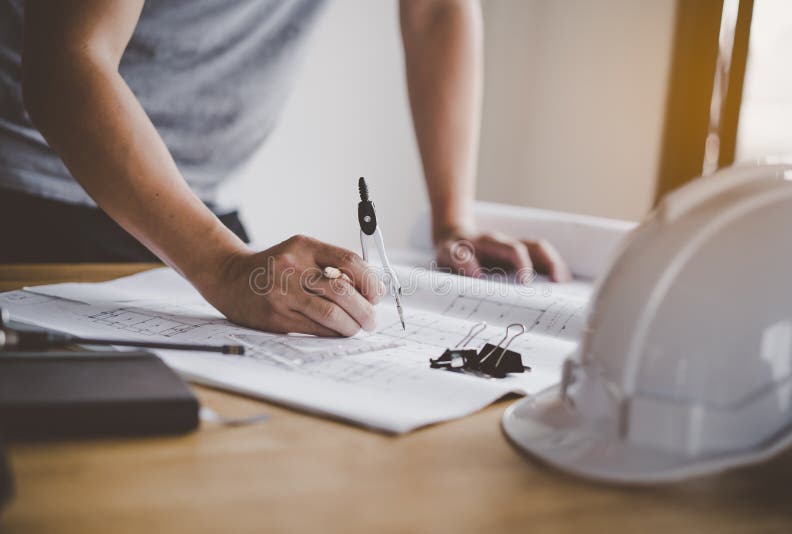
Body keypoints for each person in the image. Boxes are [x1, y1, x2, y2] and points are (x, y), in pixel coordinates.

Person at [0, 0, 570, 337]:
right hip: (26, 199)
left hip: (201, 212)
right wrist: (221, 266)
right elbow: (67, 63)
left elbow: (436, 10)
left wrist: (453, 221)